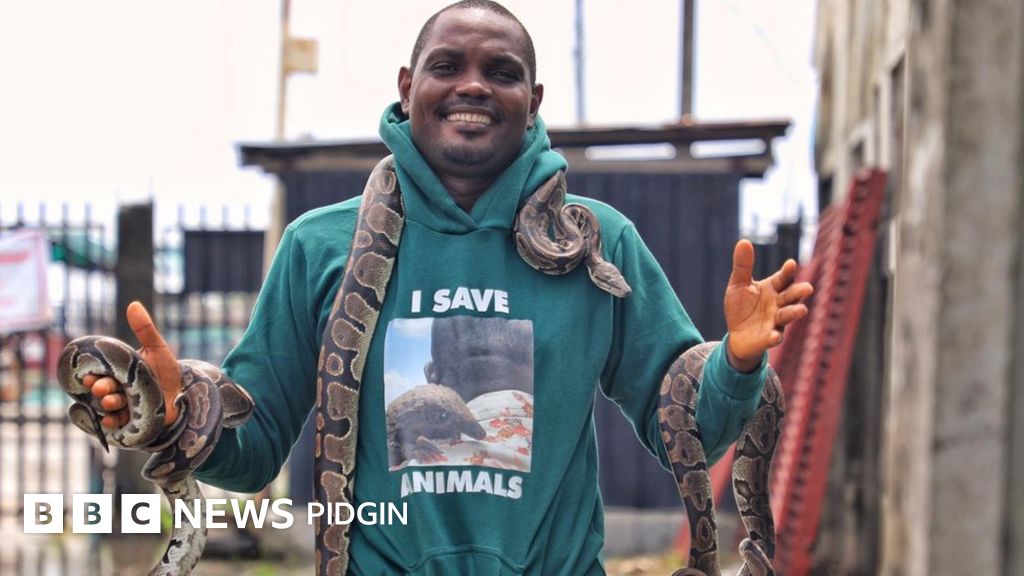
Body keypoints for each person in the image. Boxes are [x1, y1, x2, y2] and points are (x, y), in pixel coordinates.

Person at [86, 1, 813, 574]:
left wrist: (736, 366)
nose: (472, 84)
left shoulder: (597, 243)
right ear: (408, 87)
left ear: (533, 97)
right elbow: (253, 453)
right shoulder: (318, 246)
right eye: (447, 65)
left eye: (500, 70)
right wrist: (177, 416)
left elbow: (681, 429)